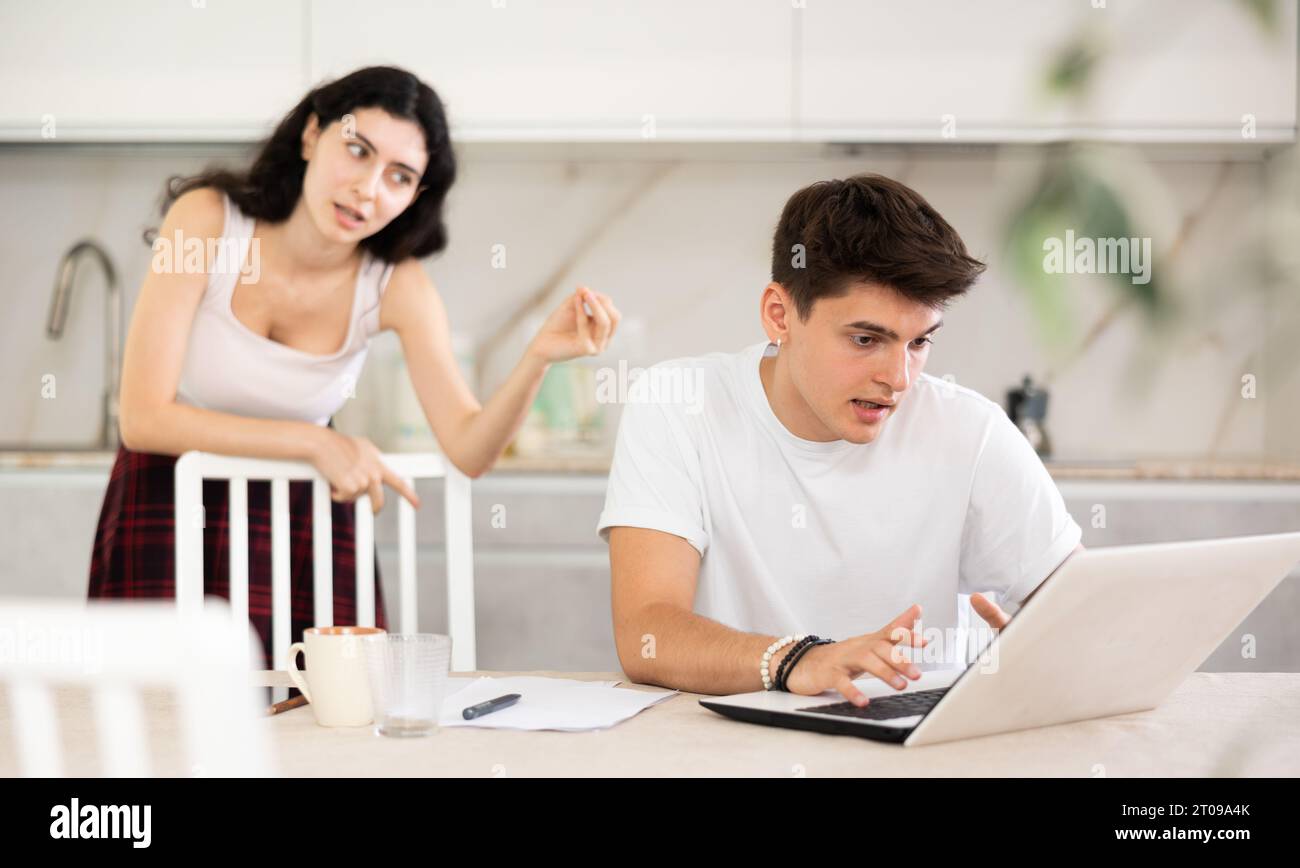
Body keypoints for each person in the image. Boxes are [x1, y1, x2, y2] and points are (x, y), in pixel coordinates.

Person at [89, 66, 620, 665]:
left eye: (399, 176)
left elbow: (469, 448)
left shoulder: (396, 284)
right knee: (157, 707)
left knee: (320, 709)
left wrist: (538, 357)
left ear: (415, 196)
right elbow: (143, 418)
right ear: (312, 135)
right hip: (168, 499)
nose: (369, 189)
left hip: (303, 519)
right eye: (358, 150)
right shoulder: (206, 220)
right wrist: (314, 442)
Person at [599, 173, 1082, 706]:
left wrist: (1047, 653)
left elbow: (1090, 613)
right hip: (738, 740)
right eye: (866, 339)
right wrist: (798, 660)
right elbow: (646, 634)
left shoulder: (974, 431)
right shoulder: (678, 403)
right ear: (780, 315)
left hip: (921, 739)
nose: (898, 379)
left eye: (919, 342)